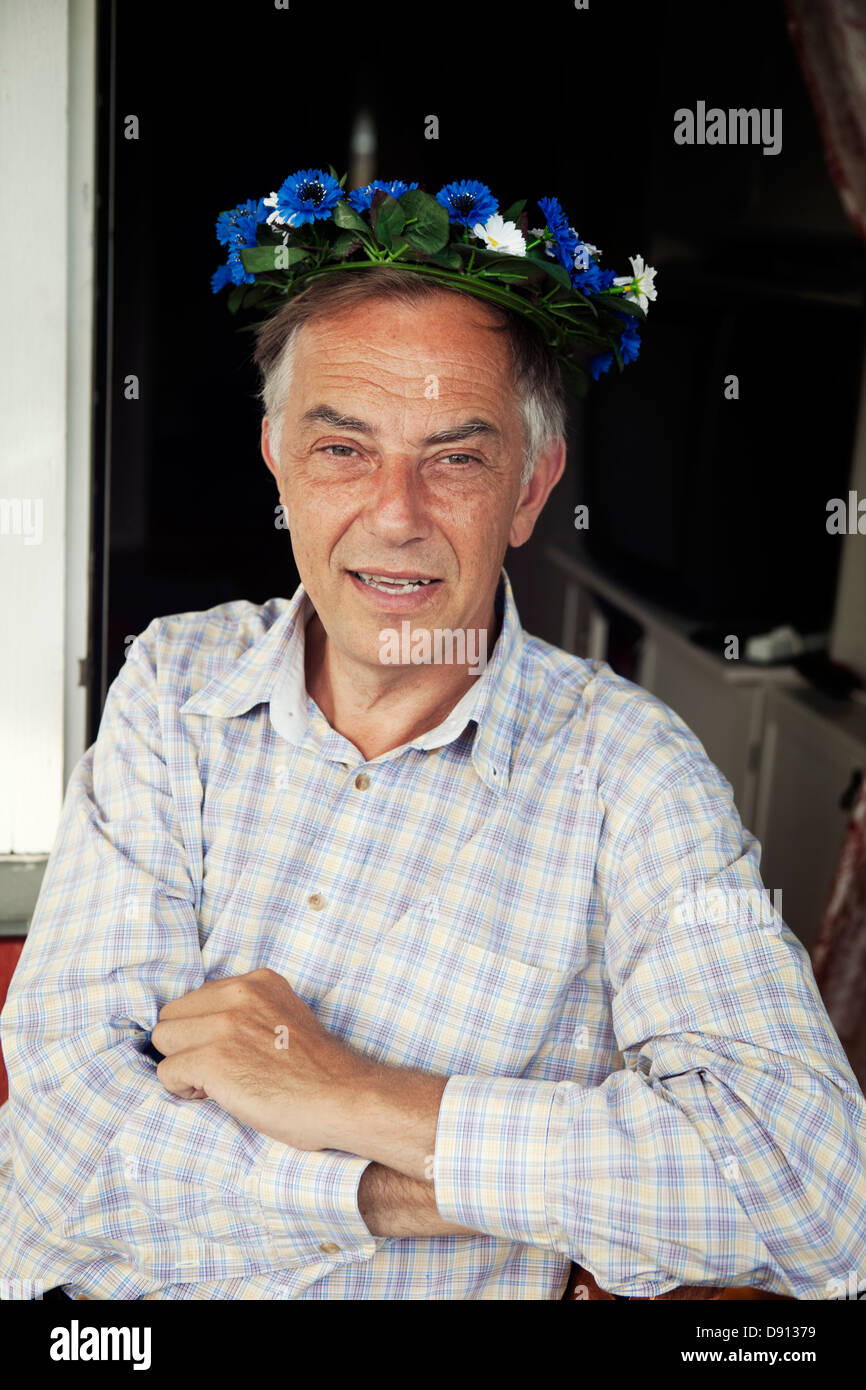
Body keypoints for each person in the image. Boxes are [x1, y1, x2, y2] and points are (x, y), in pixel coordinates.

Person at [1, 175, 864, 1301]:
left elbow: (813, 1191)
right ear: (278, 461)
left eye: (455, 457)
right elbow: (66, 1151)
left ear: (528, 487)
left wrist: (348, 1091)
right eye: (343, 449)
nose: (396, 512)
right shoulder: (176, 683)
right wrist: (414, 1187)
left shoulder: (631, 774)